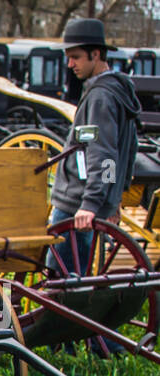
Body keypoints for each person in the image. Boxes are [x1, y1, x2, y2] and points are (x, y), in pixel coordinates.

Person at [49, 18, 141, 274]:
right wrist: (111, 200)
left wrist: (91, 203)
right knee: (75, 279)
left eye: (76, 57)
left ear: (96, 54)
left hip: (75, 205)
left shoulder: (101, 96)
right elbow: (126, 151)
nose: (70, 64)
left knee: (59, 278)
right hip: (87, 203)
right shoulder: (118, 91)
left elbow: (103, 153)